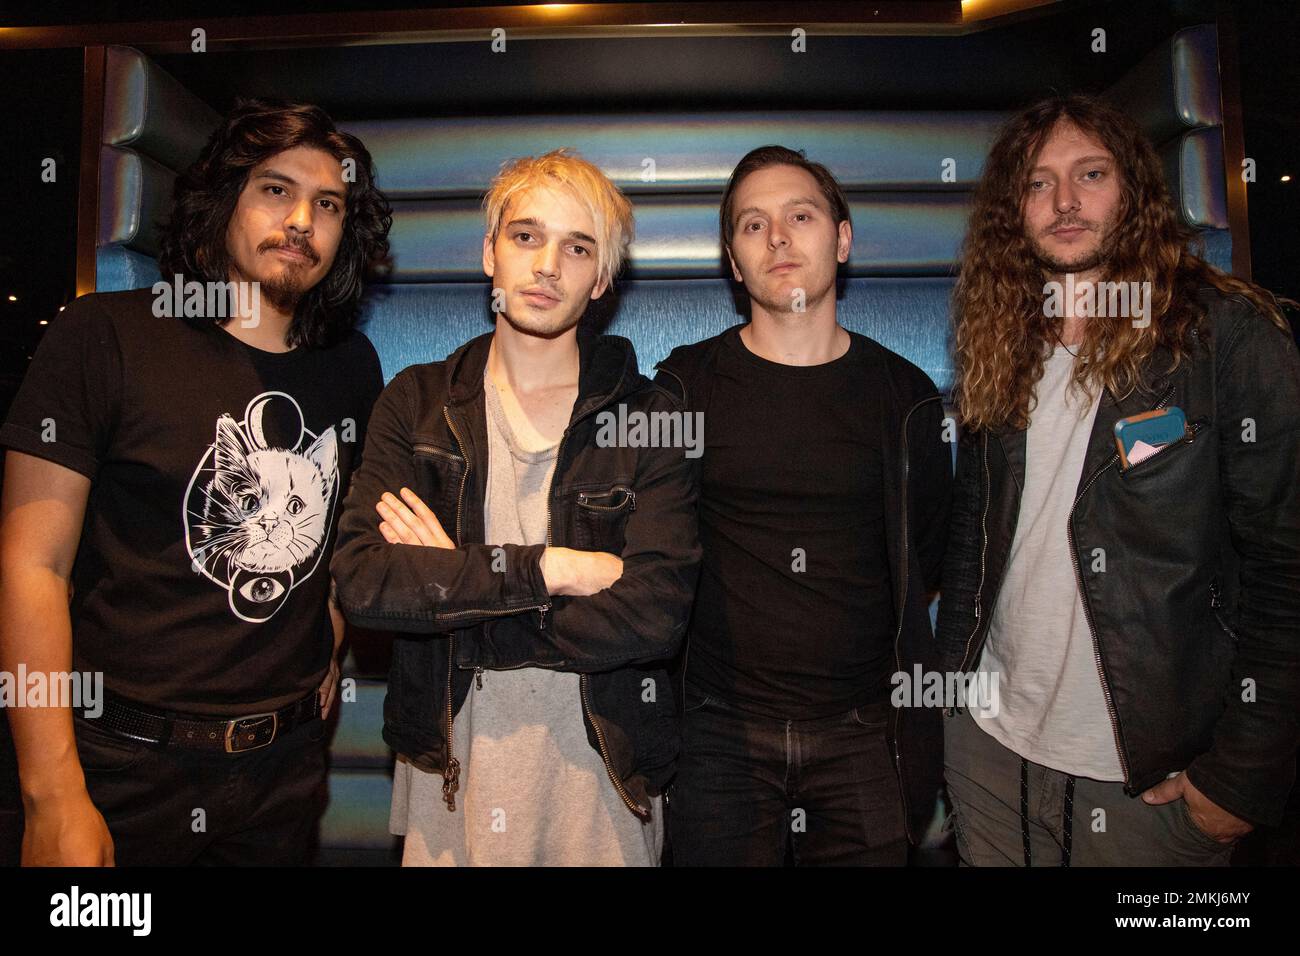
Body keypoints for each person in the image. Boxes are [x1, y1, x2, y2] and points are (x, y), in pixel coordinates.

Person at [0, 99, 391, 865]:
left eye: (329, 204)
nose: (302, 220)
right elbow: (28, 567)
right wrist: (53, 794)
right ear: (224, 202)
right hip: (120, 767)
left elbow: (343, 535)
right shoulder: (104, 335)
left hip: (282, 773)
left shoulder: (352, 368)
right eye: (276, 190)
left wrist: (330, 638)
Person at [937, 94, 1300, 866]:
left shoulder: (1224, 338)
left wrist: (1242, 776)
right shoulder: (1001, 339)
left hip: (1152, 777)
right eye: (1038, 183)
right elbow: (974, 537)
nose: (1065, 202)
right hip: (991, 751)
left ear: (1133, 190)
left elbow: (1287, 570)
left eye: (1090, 174)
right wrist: (951, 700)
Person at [330, 148, 700, 866]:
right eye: (526, 236)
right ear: (489, 254)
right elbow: (366, 581)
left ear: (602, 280)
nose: (547, 265)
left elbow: (655, 615)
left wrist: (454, 593)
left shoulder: (651, 416)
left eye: (578, 247)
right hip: (449, 781)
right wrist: (551, 568)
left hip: (604, 787)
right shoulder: (416, 401)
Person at [656, 145, 952, 865]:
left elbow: (930, 562)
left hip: (865, 737)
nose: (779, 238)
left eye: (800, 216)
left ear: (842, 240)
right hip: (715, 740)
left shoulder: (906, 397)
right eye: (753, 226)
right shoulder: (685, 385)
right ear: (733, 261)